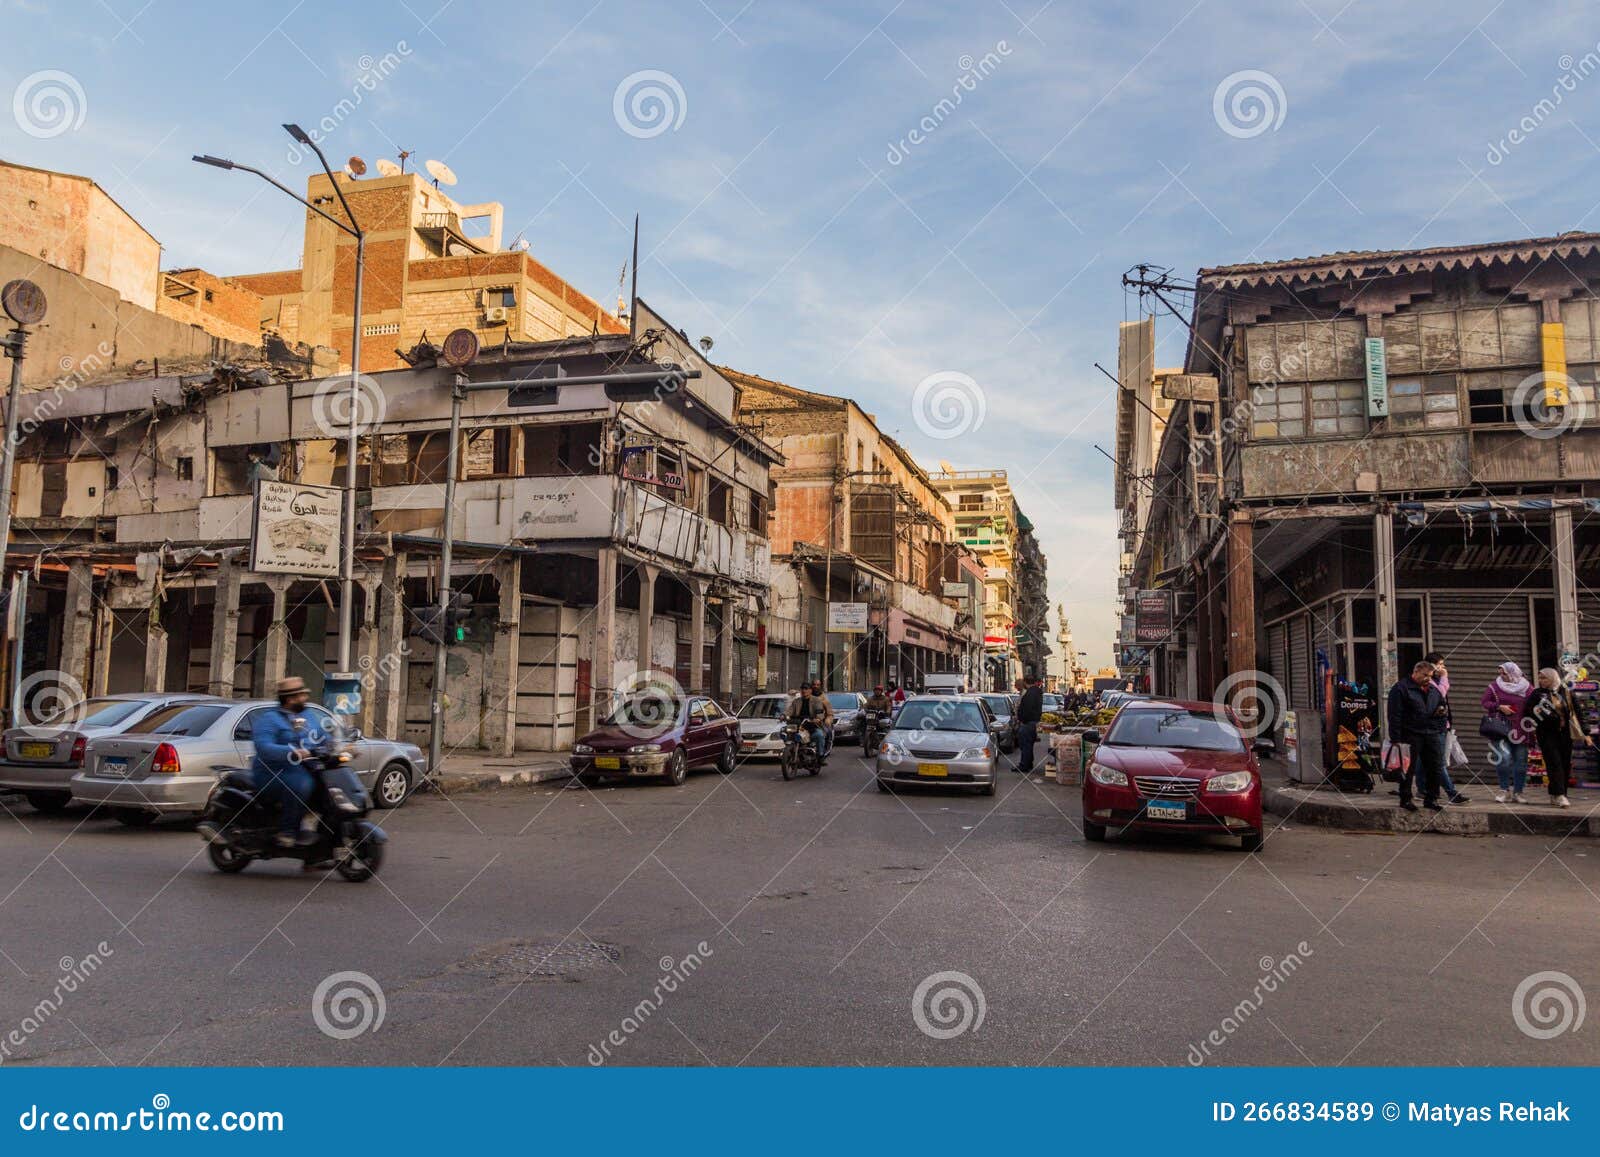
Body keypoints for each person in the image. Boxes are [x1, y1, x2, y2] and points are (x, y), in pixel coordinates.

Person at [251, 676, 319, 847]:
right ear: (290, 699)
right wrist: (293, 752)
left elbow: (323, 735)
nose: (305, 698)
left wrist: (342, 746)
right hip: (272, 771)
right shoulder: (270, 719)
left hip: (302, 767)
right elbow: (263, 747)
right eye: (302, 696)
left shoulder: (308, 715)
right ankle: (287, 831)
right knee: (301, 784)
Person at [1521, 668, 1592, 809]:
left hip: (1565, 734)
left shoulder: (1566, 692)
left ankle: (1558, 794)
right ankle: (1560, 795)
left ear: (1553, 678)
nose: (1541, 681)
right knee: (1555, 763)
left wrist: (1586, 733)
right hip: (1547, 734)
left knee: (1565, 764)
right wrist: (1540, 714)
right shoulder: (1537, 694)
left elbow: (1578, 712)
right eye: (1539, 678)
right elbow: (1527, 712)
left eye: (1544, 678)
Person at [1389, 660, 1450, 812]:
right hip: (1410, 734)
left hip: (1431, 733)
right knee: (1408, 769)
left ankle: (1431, 799)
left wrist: (1438, 728)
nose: (1427, 678)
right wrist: (1395, 738)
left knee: (1434, 766)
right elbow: (1395, 715)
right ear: (1415, 672)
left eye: (1430, 676)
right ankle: (1406, 798)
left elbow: (1442, 710)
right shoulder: (1401, 688)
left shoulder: (1433, 690)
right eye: (1424, 675)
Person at [1481, 661, 1532, 803]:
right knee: (1503, 759)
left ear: (1513, 672)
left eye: (1504, 672)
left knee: (1520, 762)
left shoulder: (1527, 688)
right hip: (1501, 729)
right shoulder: (1494, 686)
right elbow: (1485, 702)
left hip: (1522, 729)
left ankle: (1518, 792)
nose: (1501, 675)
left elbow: (1535, 702)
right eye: (1500, 672)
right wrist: (1499, 707)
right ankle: (1504, 790)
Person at [1426, 652, 1470, 804]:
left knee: (1424, 760)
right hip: (1434, 727)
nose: (1443, 667)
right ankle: (1451, 793)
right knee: (1438, 761)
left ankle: (1422, 789)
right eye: (1440, 664)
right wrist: (1444, 677)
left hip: (1441, 725)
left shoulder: (1436, 680)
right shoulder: (1430, 682)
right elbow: (1440, 694)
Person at [1015, 674, 1044, 775]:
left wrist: (1022, 719)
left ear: (1025, 682)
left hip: (1028, 722)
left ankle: (1024, 765)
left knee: (1025, 744)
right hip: (1033, 722)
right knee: (1029, 744)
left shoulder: (1030, 693)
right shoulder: (1036, 692)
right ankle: (1028, 763)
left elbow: (1027, 709)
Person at [809, 679, 836, 760]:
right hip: (806, 721)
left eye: (818, 685)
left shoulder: (824, 699)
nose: (815, 686)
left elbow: (830, 713)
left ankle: (823, 753)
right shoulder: (807, 696)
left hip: (820, 722)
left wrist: (827, 720)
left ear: (820, 686)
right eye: (814, 684)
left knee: (826, 733)